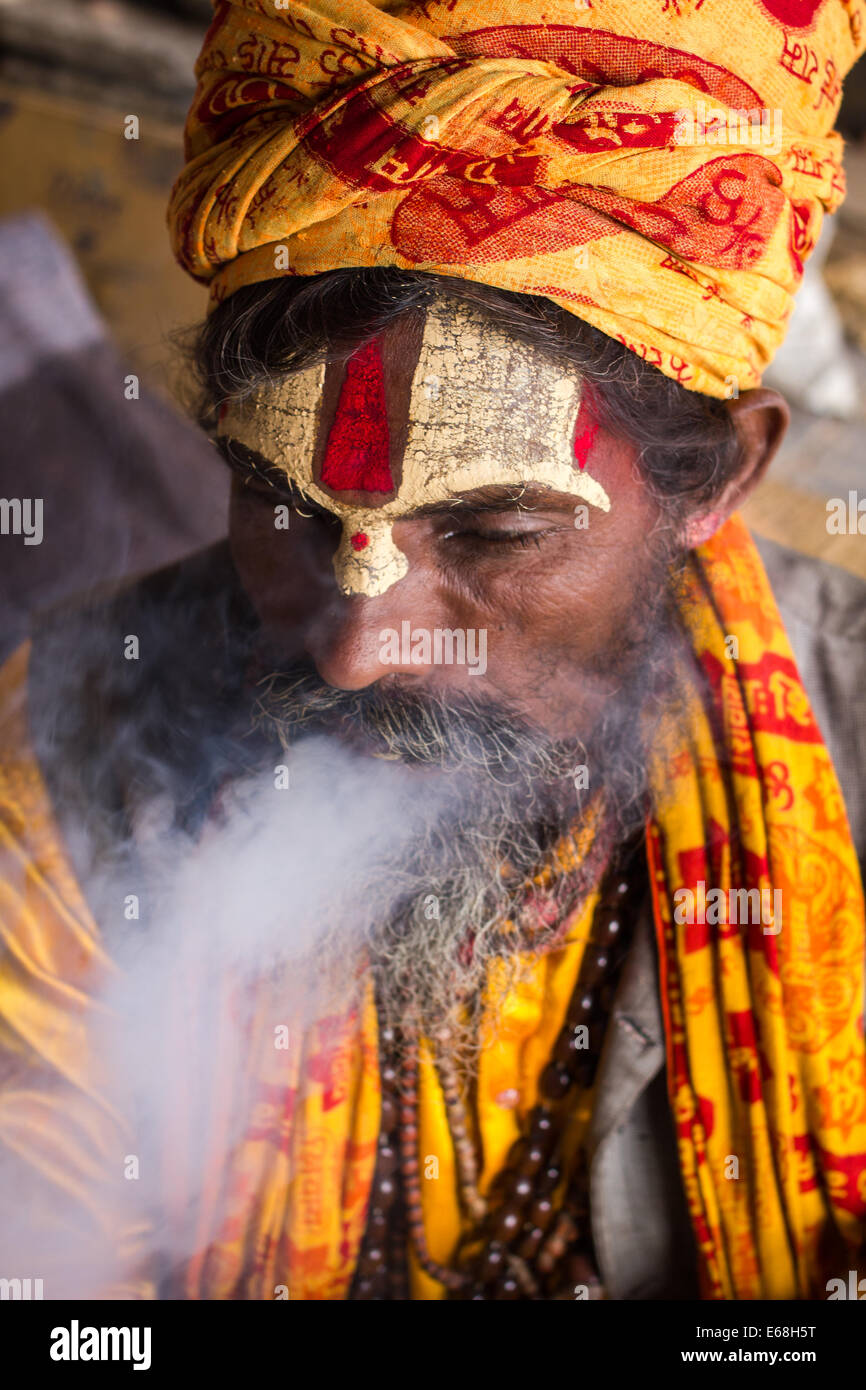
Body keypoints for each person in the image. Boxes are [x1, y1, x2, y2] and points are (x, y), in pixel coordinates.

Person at [1, 1, 864, 1302]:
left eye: (493, 529)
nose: (356, 650)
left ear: (718, 479)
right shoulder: (72, 740)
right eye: (287, 506)